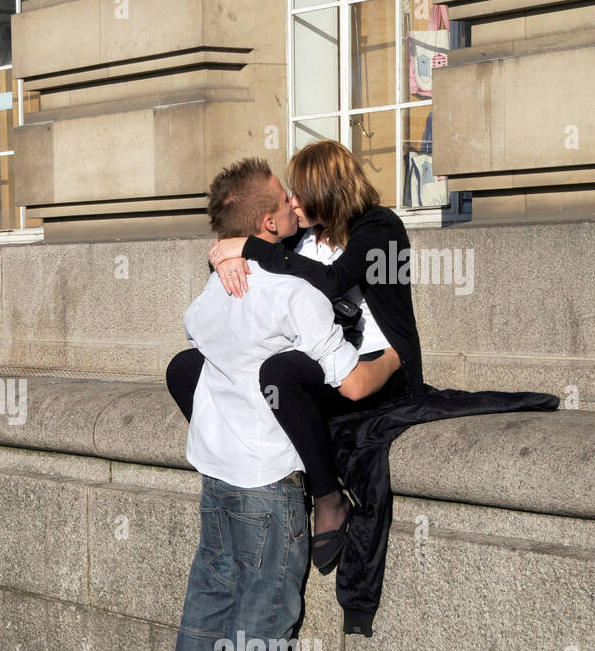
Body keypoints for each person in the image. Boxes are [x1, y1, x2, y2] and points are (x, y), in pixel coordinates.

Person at [155, 158, 396, 651]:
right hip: (268, 478)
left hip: (216, 470)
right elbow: (351, 380)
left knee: (209, 596)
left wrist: (222, 257)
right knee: (264, 613)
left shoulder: (211, 295)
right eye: (286, 203)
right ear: (268, 222)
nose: (297, 206)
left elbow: (197, 335)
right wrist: (394, 357)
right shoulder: (296, 296)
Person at [169, 140, 416, 572]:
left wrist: (248, 247)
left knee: (280, 371)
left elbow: (334, 279)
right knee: (186, 368)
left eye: (298, 193)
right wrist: (224, 258)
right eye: (289, 197)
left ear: (327, 192)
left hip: (379, 363)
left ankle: (327, 497)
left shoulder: (380, 228)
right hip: (321, 362)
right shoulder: (304, 232)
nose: (292, 203)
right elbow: (265, 253)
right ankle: (243, 458)